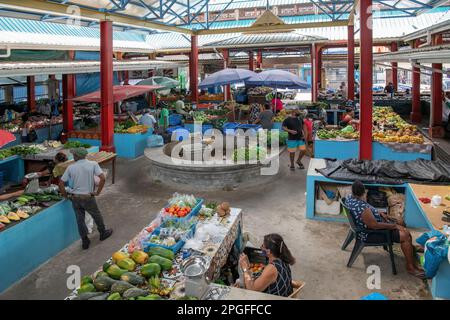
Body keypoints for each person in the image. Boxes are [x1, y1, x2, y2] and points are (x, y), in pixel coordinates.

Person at [345, 181, 425, 279]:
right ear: (363, 192)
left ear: (353, 191)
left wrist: (379, 213)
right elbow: (374, 225)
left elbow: (369, 209)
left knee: (401, 222)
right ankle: (410, 267)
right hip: (372, 234)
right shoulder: (362, 208)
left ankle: (411, 249)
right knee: (405, 235)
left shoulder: (350, 198)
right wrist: (394, 226)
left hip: (375, 225)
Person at [58, 148, 112, 250]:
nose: (73, 156)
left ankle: (85, 241)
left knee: (80, 220)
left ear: (77, 156)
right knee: (96, 215)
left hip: (75, 198)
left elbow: (61, 183)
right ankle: (103, 233)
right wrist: (97, 192)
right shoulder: (93, 164)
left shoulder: (71, 167)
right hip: (88, 197)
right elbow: (103, 178)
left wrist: (66, 195)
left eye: (74, 155)